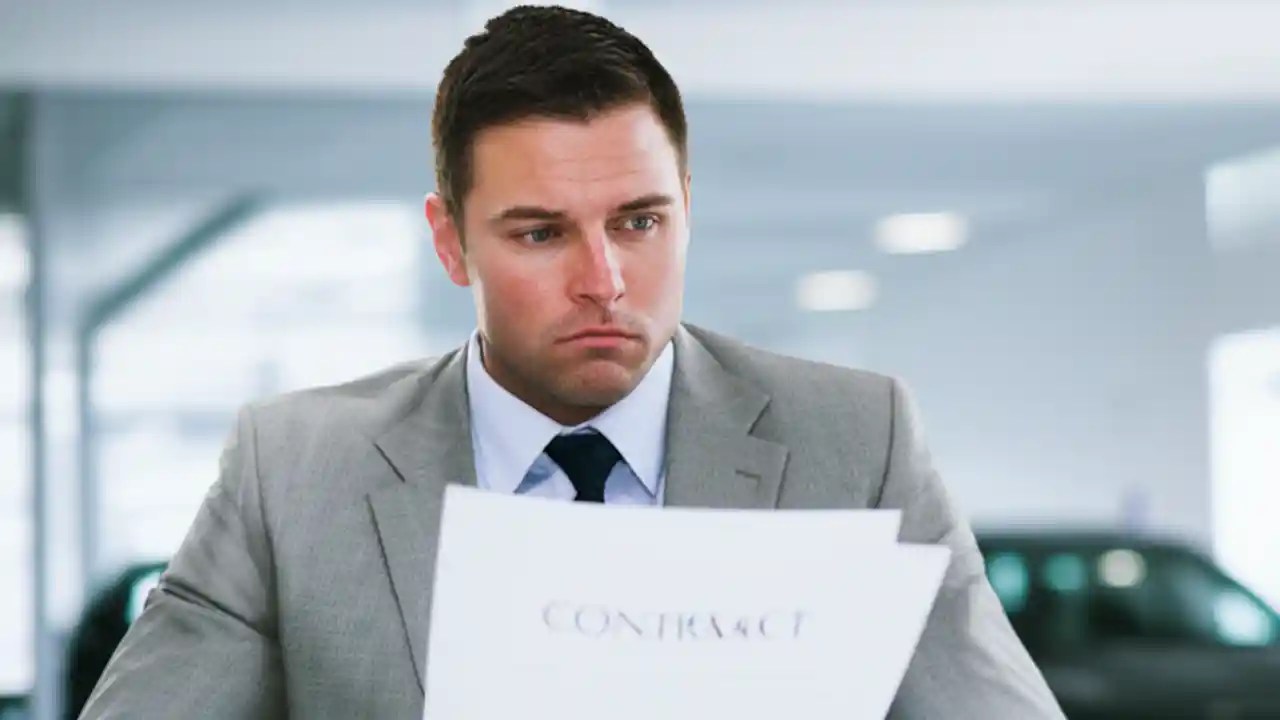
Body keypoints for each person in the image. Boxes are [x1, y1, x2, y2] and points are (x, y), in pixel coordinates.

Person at [83, 5, 1064, 718]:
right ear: (450, 241)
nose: (603, 281)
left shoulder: (856, 444)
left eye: (639, 222)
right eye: (541, 234)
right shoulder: (295, 471)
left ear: (686, 206)